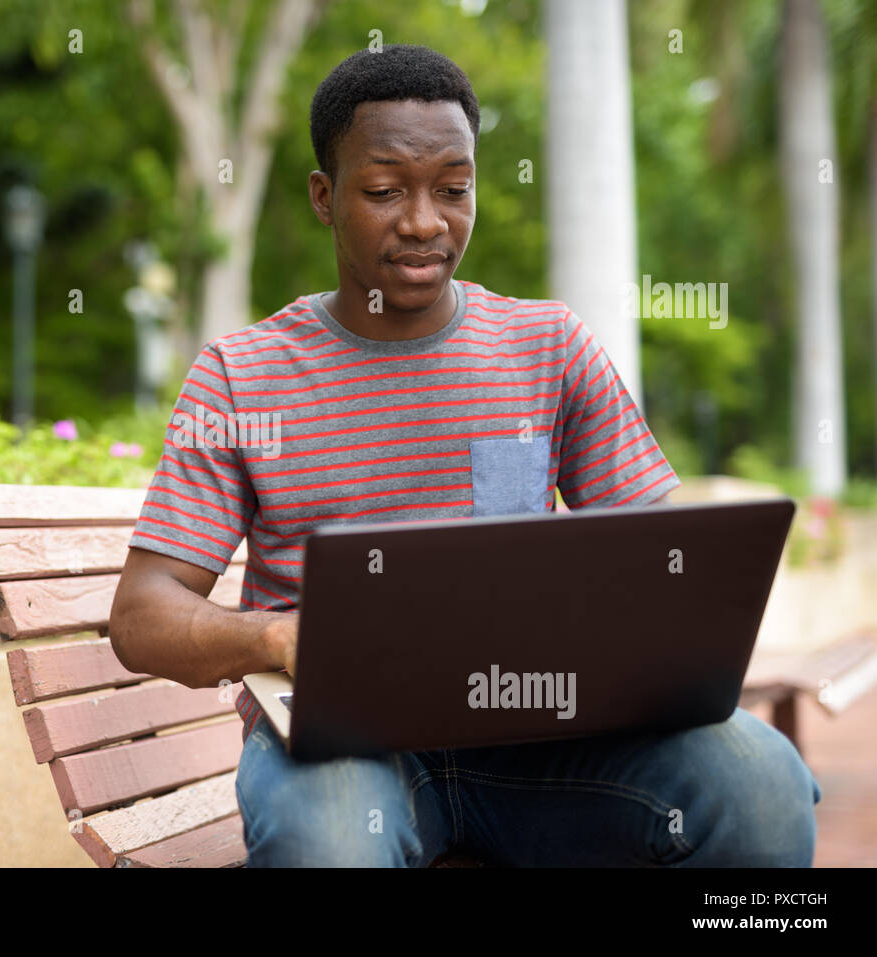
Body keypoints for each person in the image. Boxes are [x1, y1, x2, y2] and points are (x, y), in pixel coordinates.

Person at [109, 44, 821, 867]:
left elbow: (661, 562)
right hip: (347, 745)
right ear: (323, 196)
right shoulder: (243, 373)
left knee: (760, 783)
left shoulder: (548, 346)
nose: (424, 221)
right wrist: (281, 638)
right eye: (383, 191)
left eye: (454, 188)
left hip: (541, 736)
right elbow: (143, 612)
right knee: (330, 841)